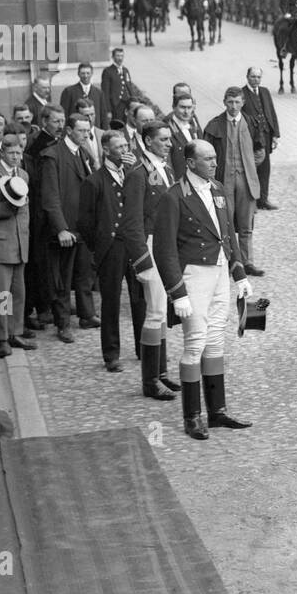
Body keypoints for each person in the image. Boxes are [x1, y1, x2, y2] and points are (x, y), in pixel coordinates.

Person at [153, 139, 253, 440]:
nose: (213, 163)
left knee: (215, 341)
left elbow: (228, 233)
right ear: (190, 162)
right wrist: (177, 290)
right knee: (195, 343)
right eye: (207, 159)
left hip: (220, 270)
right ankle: (192, 415)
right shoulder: (174, 197)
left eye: (214, 158)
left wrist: (240, 272)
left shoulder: (219, 189)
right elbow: (164, 248)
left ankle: (217, 411)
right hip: (194, 274)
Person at [77, 132, 146, 373]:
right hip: (112, 246)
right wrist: (99, 245)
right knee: (111, 301)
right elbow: (84, 221)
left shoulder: (136, 175)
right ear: (106, 150)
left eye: (126, 145)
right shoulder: (95, 181)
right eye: (118, 147)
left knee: (140, 298)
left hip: (134, 244)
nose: (124, 151)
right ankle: (111, 354)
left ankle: (143, 347)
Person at [130, 119, 179, 401]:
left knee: (161, 312)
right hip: (150, 246)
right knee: (155, 312)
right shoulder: (139, 173)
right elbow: (132, 222)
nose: (169, 144)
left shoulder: (165, 168)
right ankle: (150, 381)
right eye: (163, 140)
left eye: (170, 139)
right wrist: (143, 261)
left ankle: (160, 373)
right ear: (148, 142)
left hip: (165, 244)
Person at [39, 113, 97, 342]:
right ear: (70, 130)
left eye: (87, 130)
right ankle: (62, 324)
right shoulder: (52, 156)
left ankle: (86, 314)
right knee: (62, 279)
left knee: (84, 273)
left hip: (82, 227)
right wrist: (61, 228)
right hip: (64, 230)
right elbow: (50, 197)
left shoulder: (82, 152)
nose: (86, 134)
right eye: (81, 130)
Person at [0, 133, 36, 358]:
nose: (15, 157)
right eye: (11, 153)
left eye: (19, 153)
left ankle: (15, 332)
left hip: (20, 243)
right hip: (0, 247)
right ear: (2, 152)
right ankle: (1, 337)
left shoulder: (23, 175)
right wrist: (5, 208)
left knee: (18, 293)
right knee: (3, 296)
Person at [203, 86, 263, 276]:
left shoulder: (252, 123)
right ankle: (230, 262)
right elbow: (206, 154)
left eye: (237, 102)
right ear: (224, 102)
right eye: (230, 102)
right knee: (225, 222)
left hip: (246, 181)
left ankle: (247, 262)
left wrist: (249, 166)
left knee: (246, 224)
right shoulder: (214, 126)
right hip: (223, 181)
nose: (234, 106)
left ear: (243, 102)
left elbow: (260, 151)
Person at [242, 67, 280, 209]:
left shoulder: (264, 92)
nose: (256, 80)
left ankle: (263, 200)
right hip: (251, 139)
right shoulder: (242, 94)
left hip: (266, 136)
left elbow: (271, 113)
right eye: (253, 77)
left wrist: (275, 134)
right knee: (252, 169)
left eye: (258, 77)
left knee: (265, 169)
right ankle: (251, 201)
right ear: (247, 77)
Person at [60, 62, 108, 131]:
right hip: (76, 132)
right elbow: (64, 114)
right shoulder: (69, 92)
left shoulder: (99, 93)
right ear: (78, 74)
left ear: (92, 74)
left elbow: (103, 116)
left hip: (94, 132)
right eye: (83, 73)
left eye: (88, 73)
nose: (85, 76)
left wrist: (104, 132)